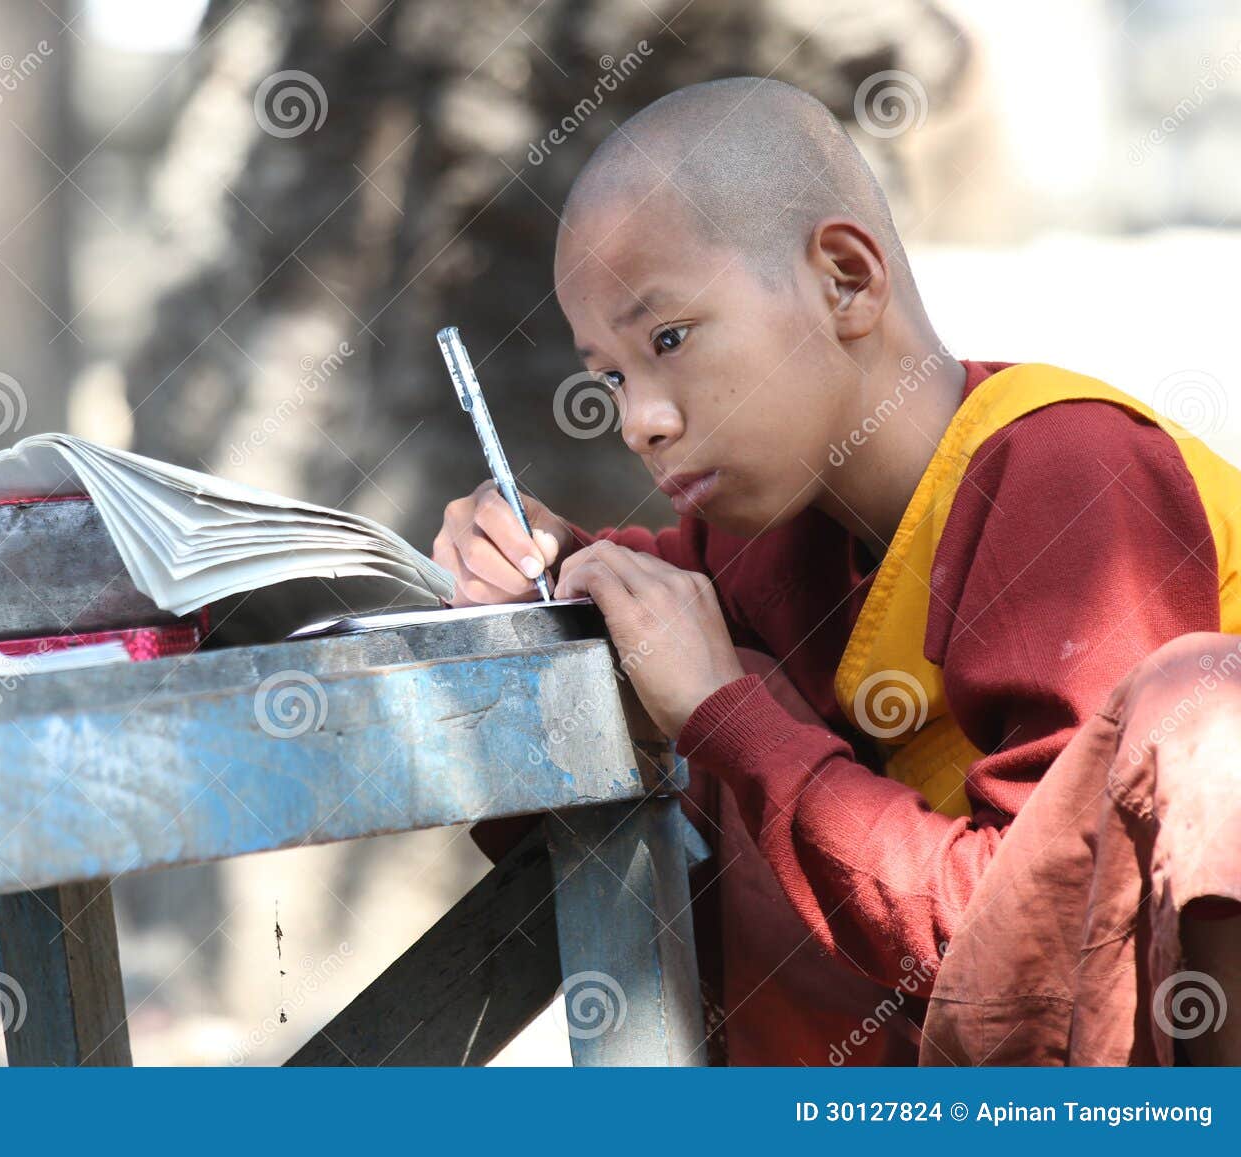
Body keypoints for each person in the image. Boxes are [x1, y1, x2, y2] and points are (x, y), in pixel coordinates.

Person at [433, 77, 1241, 1066]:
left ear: (846, 280)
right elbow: (647, 603)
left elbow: (1042, 956)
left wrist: (727, 712)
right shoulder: (769, 532)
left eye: (669, 339)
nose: (638, 420)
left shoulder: (1069, 473)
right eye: (610, 375)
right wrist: (542, 564)